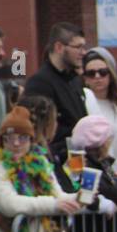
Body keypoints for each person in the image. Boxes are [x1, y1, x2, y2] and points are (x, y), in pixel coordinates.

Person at [23, 22, 88, 151]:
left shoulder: (74, 80)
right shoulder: (39, 83)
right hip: (55, 159)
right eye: (78, 47)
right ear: (59, 47)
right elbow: (40, 130)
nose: (84, 52)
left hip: (79, 157)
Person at [80, 48, 117, 174]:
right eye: (91, 73)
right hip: (99, 171)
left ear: (110, 75)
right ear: (85, 78)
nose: (97, 77)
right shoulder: (83, 104)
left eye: (103, 72)